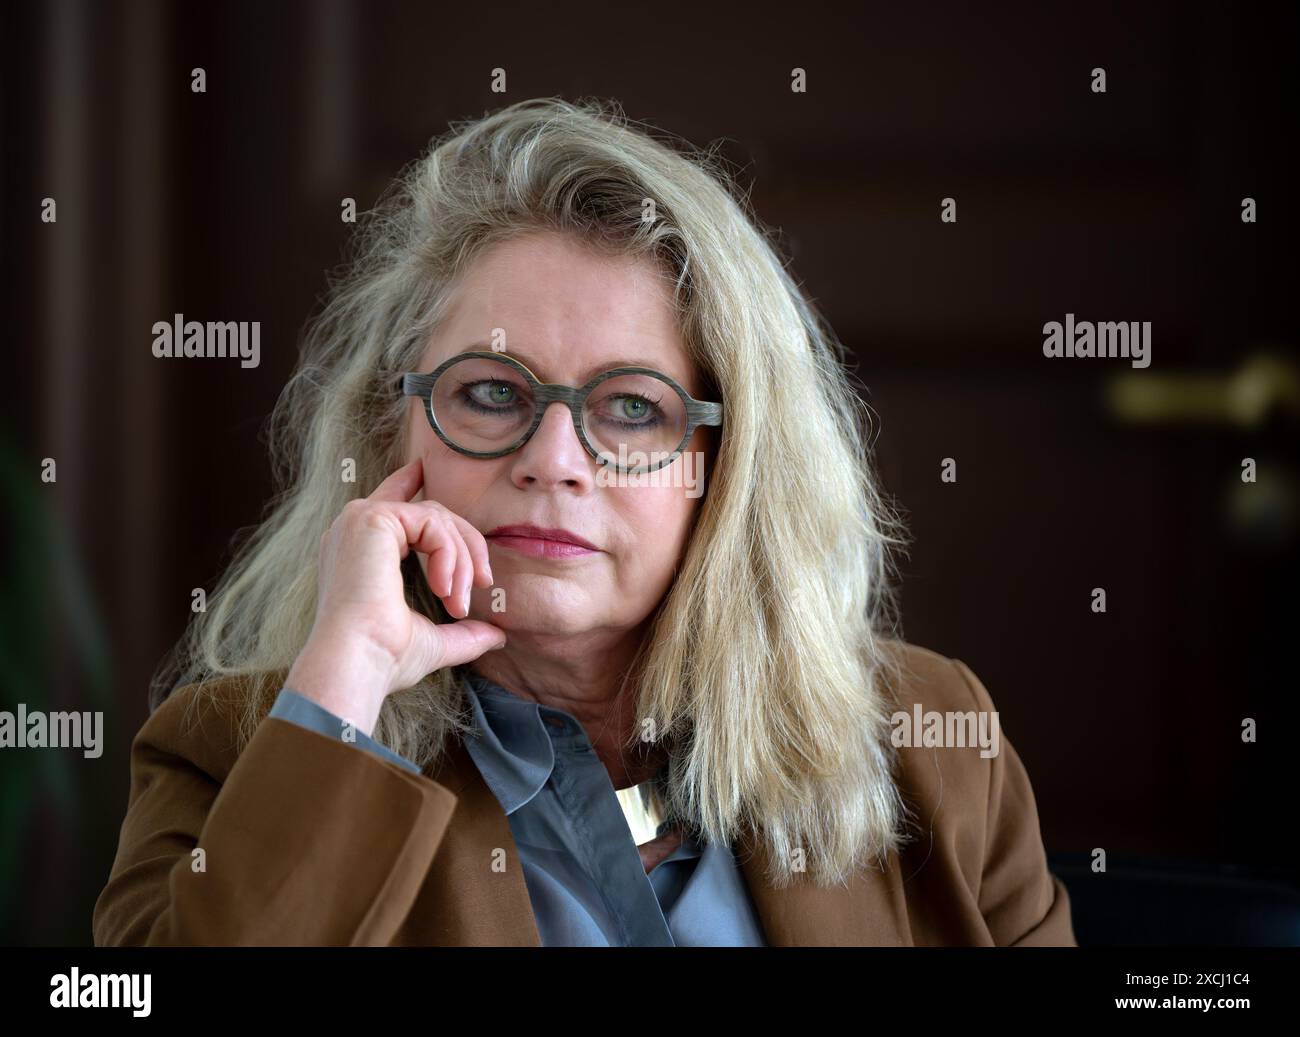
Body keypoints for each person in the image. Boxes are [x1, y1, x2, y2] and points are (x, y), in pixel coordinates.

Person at [92, 97, 1076, 946]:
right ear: (394, 435)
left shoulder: (935, 741)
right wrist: (345, 683)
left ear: (721, 465)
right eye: (488, 391)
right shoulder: (233, 755)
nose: (552, 460)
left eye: (633, 406)